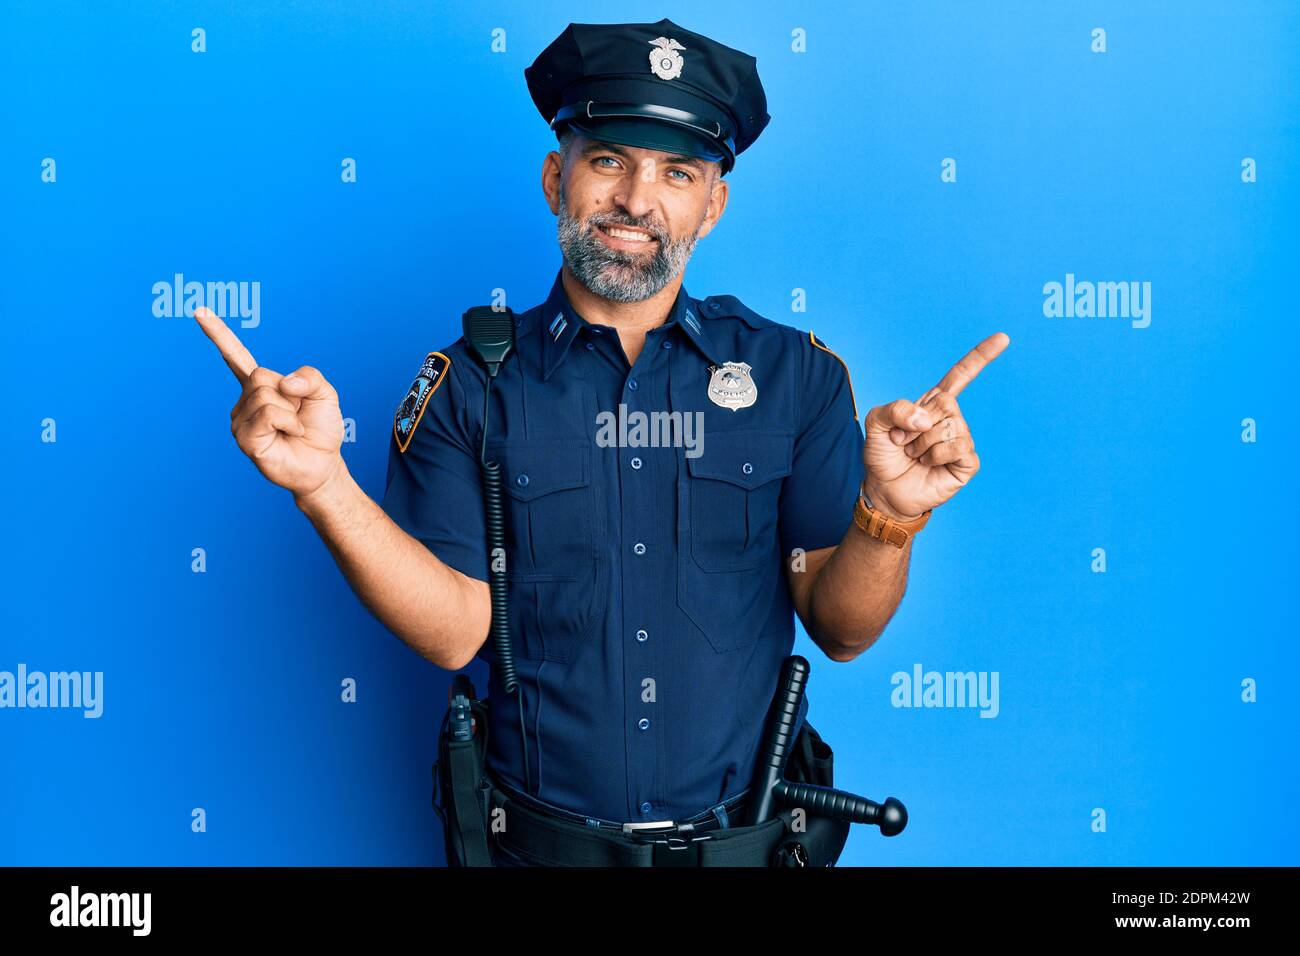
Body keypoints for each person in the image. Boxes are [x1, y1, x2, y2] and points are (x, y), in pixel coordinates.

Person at [194, 17, 1008, 866]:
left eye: (678, 172)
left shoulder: (793, 377)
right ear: (557, 177)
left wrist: (888, 514)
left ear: (713, 205)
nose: (637, 201)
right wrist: (323, 485)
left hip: (744, 849)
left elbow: (840, 630)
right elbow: (455, 633)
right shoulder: (470, 383)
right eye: (609, 159)